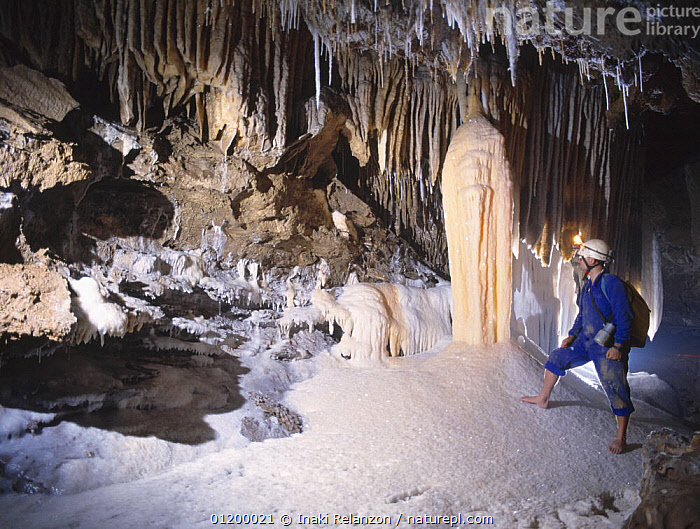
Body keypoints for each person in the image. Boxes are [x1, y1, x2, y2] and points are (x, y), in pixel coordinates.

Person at [521, 238, 634, 454]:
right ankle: (543, 398)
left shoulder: (611, 283)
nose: (579, 260)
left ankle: (621, 437)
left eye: (581, 257)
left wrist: (618, 346)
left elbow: (624, 317)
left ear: (592, 259)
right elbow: (582, 314)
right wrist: (572, 335)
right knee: (557, 357)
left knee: (615, 386)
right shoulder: (587, 285)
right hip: (585, 341)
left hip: (606, 345)